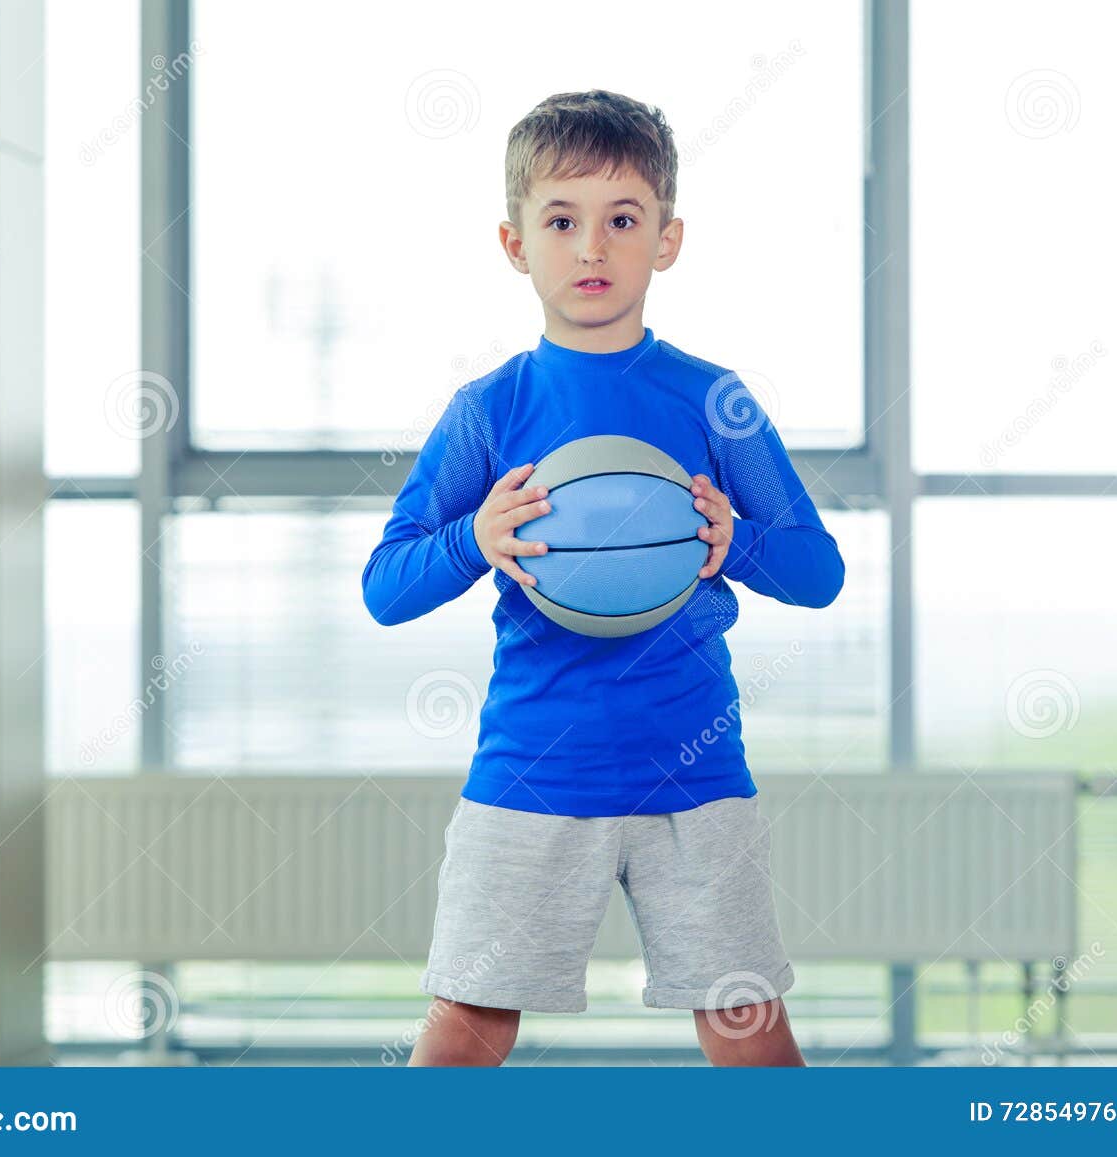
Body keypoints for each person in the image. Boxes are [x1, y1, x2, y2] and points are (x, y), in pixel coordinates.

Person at [361, 88, 845, 1066]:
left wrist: (732, 541)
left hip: (695, 772)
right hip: (534, 771)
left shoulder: (716, 399)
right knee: (470, 1023)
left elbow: (817, 570)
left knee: (744, 1022)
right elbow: (386, 585)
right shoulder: (488, 408)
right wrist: (473, 538)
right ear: (514, 244)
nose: (592, 247)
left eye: (622, 220)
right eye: (562, 220)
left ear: (666, 240)